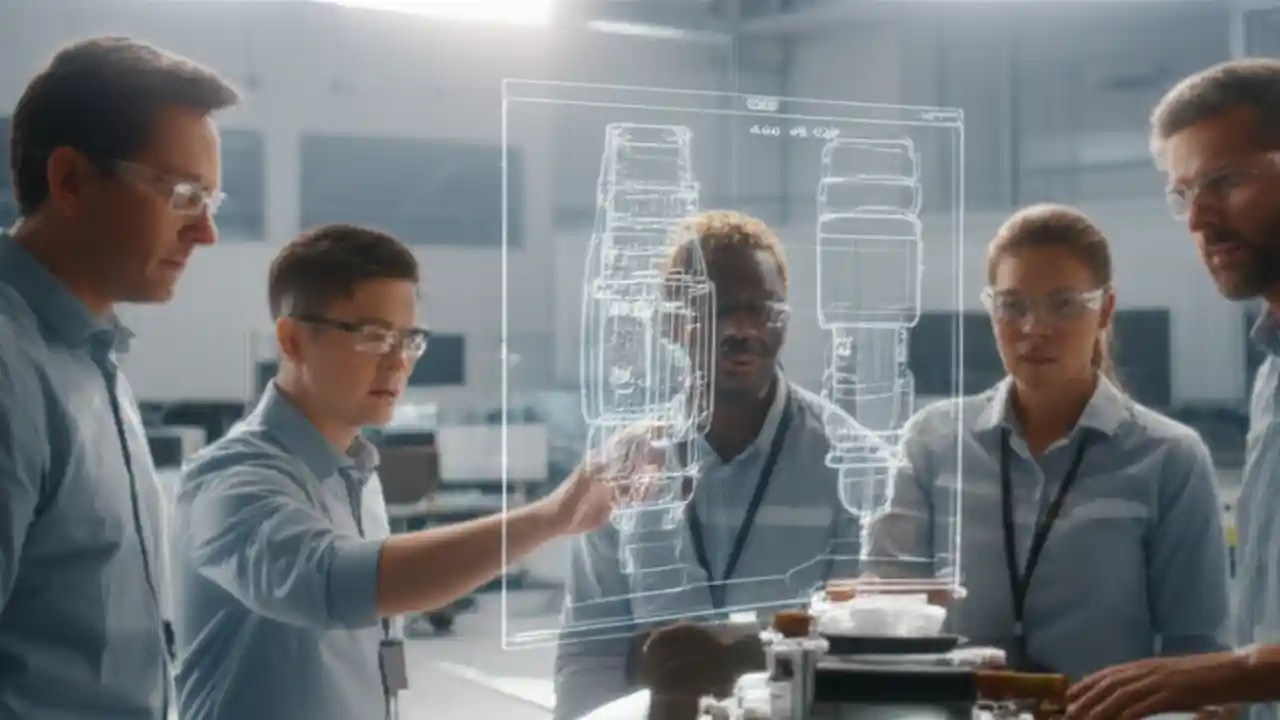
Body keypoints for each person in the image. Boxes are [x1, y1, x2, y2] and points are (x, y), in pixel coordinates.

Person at [171, 223, 616, 720]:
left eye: (409, 340)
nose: (398, 362)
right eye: (373, 336)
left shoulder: (356, 478)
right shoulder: (232, 481)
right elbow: (332, 582)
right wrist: (550, 517)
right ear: (293, 339)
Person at [863, 203, 1232, 682]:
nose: (1034, 328)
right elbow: (887, 614)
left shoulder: (1168, 459)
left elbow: (1197, 653)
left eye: (1063, 304)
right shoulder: (934, 443)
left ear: (1106, 310)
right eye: (1012, 305)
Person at [554, 210, 880, 720]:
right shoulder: (625, 468)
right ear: (670, 322)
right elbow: (589, 656)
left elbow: (866, 659)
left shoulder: (851, 463)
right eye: (718, 309)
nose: (742, 328)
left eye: (762, 309)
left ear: (785, 322)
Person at [0, 36, 237, 719]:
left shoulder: (91, 361)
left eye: (212, 200)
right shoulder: (11, 372)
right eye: (183, 193)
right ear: (70, 180)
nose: (205, 233)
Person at [1065, 57, 1280, 720]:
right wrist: (1238, 695)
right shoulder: (1271, 369)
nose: (1198, 219)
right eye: (1183, 194)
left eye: (1226, 181)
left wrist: (1225, 675)